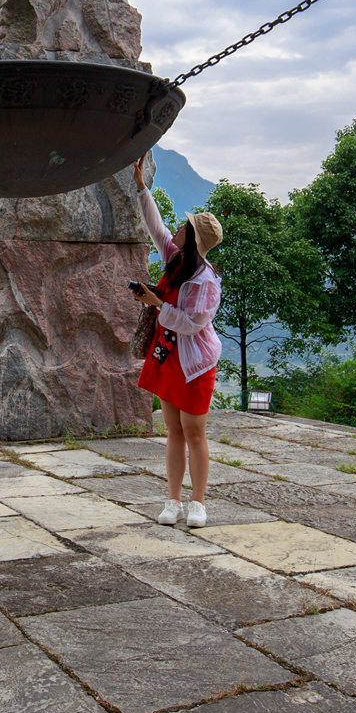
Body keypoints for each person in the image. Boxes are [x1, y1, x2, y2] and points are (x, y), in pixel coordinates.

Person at [129, 152, 223, 527]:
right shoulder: (176, 259)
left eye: (185, 227)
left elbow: (193, 324)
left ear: (194, 239)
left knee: (194, 432)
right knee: (172, 431)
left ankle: (197, 502)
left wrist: (155, 302)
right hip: (167, 355)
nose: (177, 229)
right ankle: (173, 499)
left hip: (194, 361)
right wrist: (141, 189)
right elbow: (157, 229)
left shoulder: (206, 282)